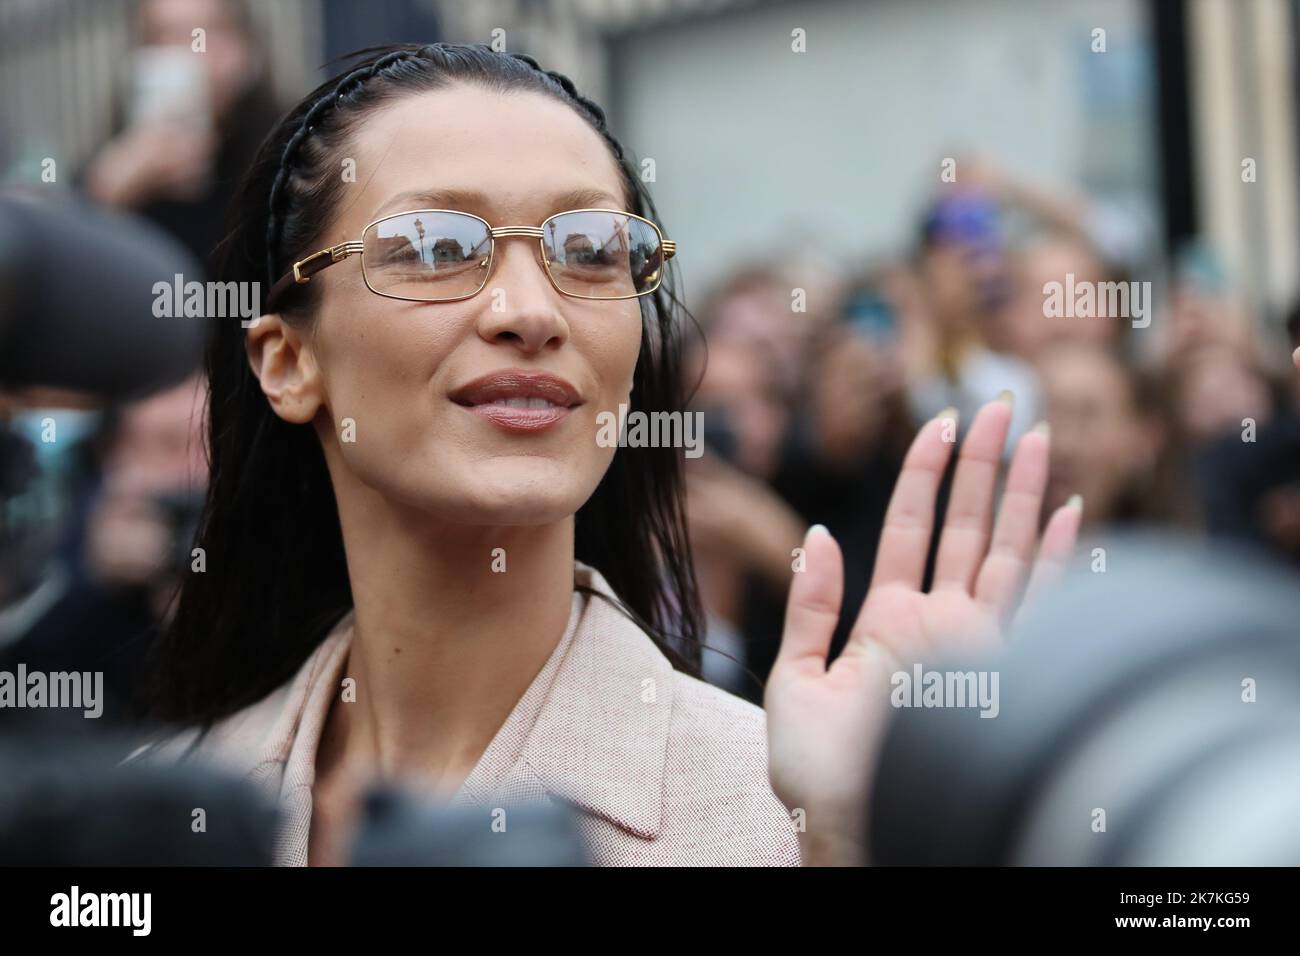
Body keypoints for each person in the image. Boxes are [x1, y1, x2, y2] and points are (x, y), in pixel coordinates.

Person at [131, 42, 1080, 867]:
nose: (530, 311)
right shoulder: (167, 814)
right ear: (289, 361)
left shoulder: (780, 810)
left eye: (588, 248)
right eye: (432, 244)